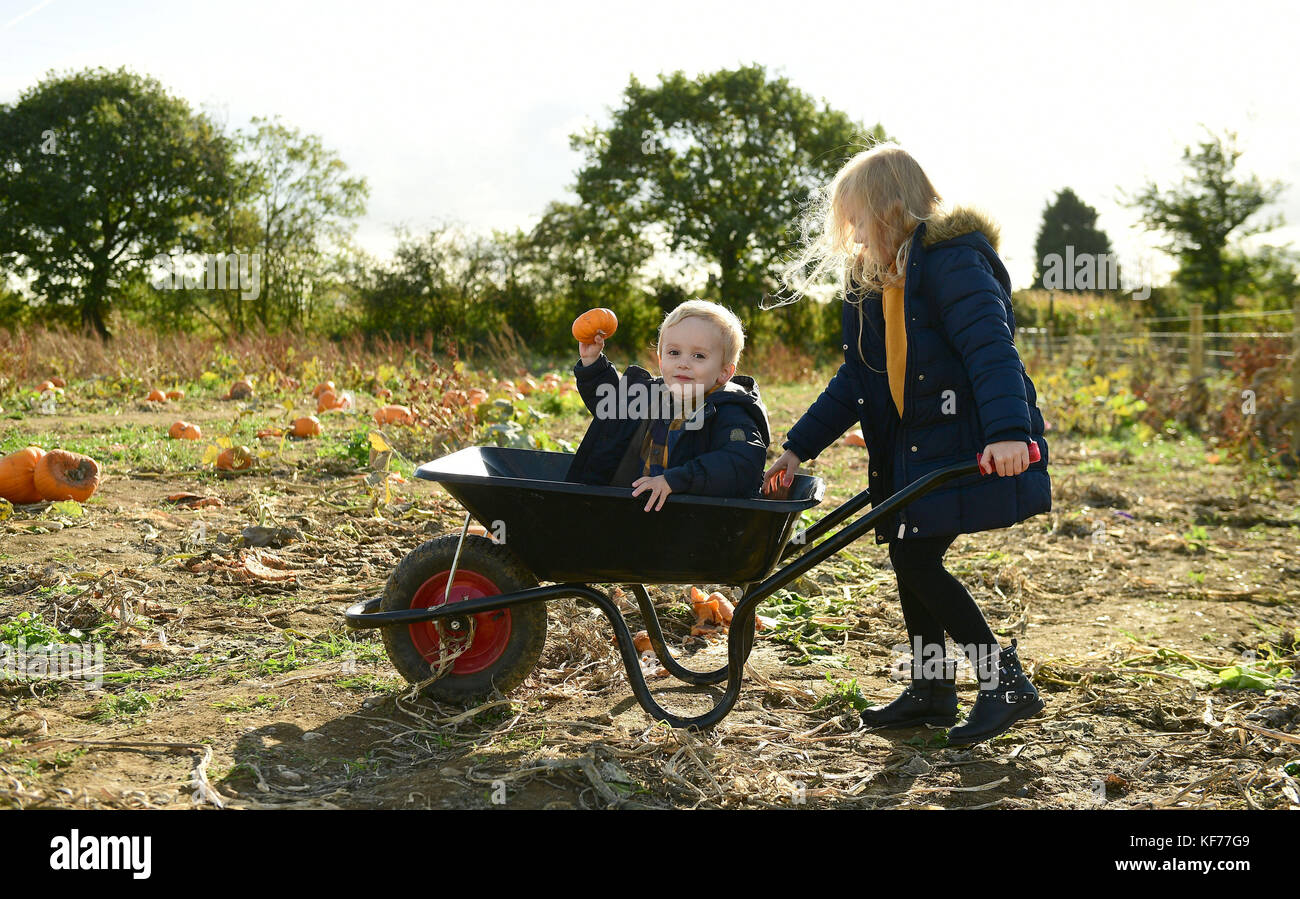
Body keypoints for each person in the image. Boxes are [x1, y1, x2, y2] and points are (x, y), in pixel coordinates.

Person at [763, 143, 1051, 745]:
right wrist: (797, 448)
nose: (855, 239)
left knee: (919, 558)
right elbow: (855, 380)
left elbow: (991, 352)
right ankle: (931, 689)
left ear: (890, 209)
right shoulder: (879, 283)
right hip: (909, 449)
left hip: (964, 442)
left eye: (859, 223)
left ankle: (1005, 684)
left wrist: (1007, 433)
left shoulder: (954, 263)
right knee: (906, 551)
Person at [566, 299, 771, 509]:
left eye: (698, 356)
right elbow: (612, 411)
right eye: (674, 352)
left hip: (693, 519)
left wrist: (675, 480)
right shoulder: (651, 395)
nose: (683, 363)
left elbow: (741, 462)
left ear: (724, 372)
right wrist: (592, 363)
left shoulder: (730, 411)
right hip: (640, 508)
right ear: (661, 360)